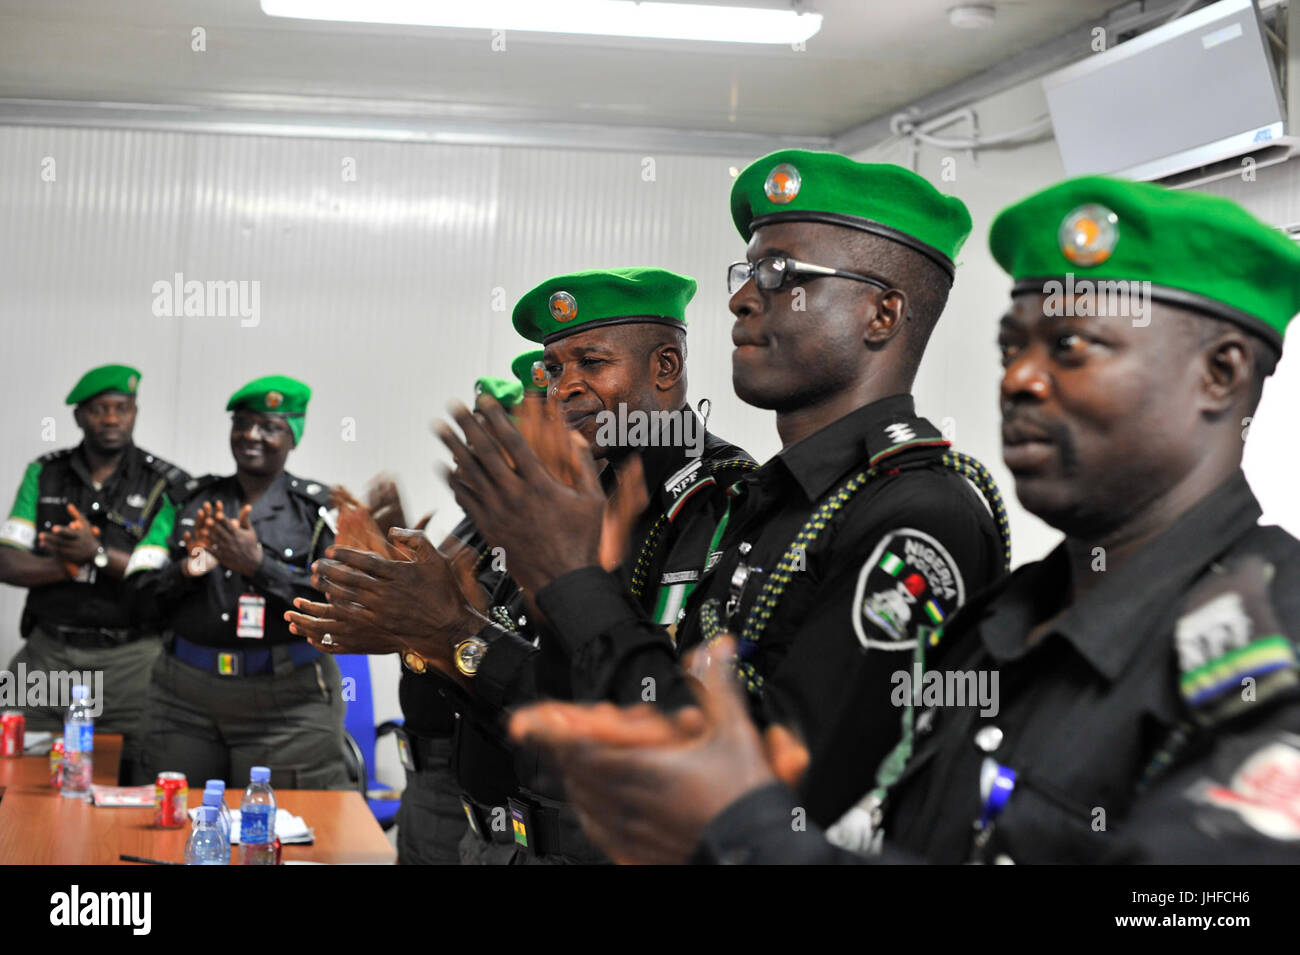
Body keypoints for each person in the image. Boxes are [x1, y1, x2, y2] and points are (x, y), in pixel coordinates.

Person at [509, 176, 1300, 865]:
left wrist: (749, 830)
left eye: (1072, 345)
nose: (1021, 379)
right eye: (1010, 348)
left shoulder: (1271, 647)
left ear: (1220, 374)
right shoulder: (1010, 621)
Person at [441, 150, 1009, 829]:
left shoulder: (918, 516)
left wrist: (567, 580)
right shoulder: (771, 501)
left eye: (781, 274)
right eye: (747, 271)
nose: (741, 296)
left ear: (881, 314)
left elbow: (783, 791)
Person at [288, 269, 756, 862]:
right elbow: (517, 676)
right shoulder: (570, 496)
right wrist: (421, 628)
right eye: (556, 369)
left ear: (666, 367)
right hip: (496, 839)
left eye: (591, 362)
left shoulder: (722, 503)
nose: (565, 388)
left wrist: (451, 632)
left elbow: (659, 720)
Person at [126, 375, 348, 789]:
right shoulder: (184, 501)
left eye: (270, 427)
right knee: (173, 827)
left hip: (289, 704)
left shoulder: (320, 512)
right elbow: (137, 594)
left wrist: (259, 565)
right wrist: (189, 568)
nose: (252, 435)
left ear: (293, 436)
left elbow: (341, 610)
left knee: (279, 835)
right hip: (183, 699)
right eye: (242, 423)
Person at [0, 364, 187, 780]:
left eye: (123, 408)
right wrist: (66, 565)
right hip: (47, 655)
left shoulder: (168, 485)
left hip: (132, 662)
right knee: (20, 778)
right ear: (79, 416)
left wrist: (97, 554)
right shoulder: (44, 472)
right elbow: (8, 560)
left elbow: (162, 576)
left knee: (136, 781)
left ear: (135, 412)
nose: (112, 419)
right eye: (100, 409)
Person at [391, 354, 543, 865]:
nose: (462, 460)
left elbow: (497, 661)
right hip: (436, 774)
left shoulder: (533, 539)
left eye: (482, 446)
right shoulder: (466, 531)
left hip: (483, 784)